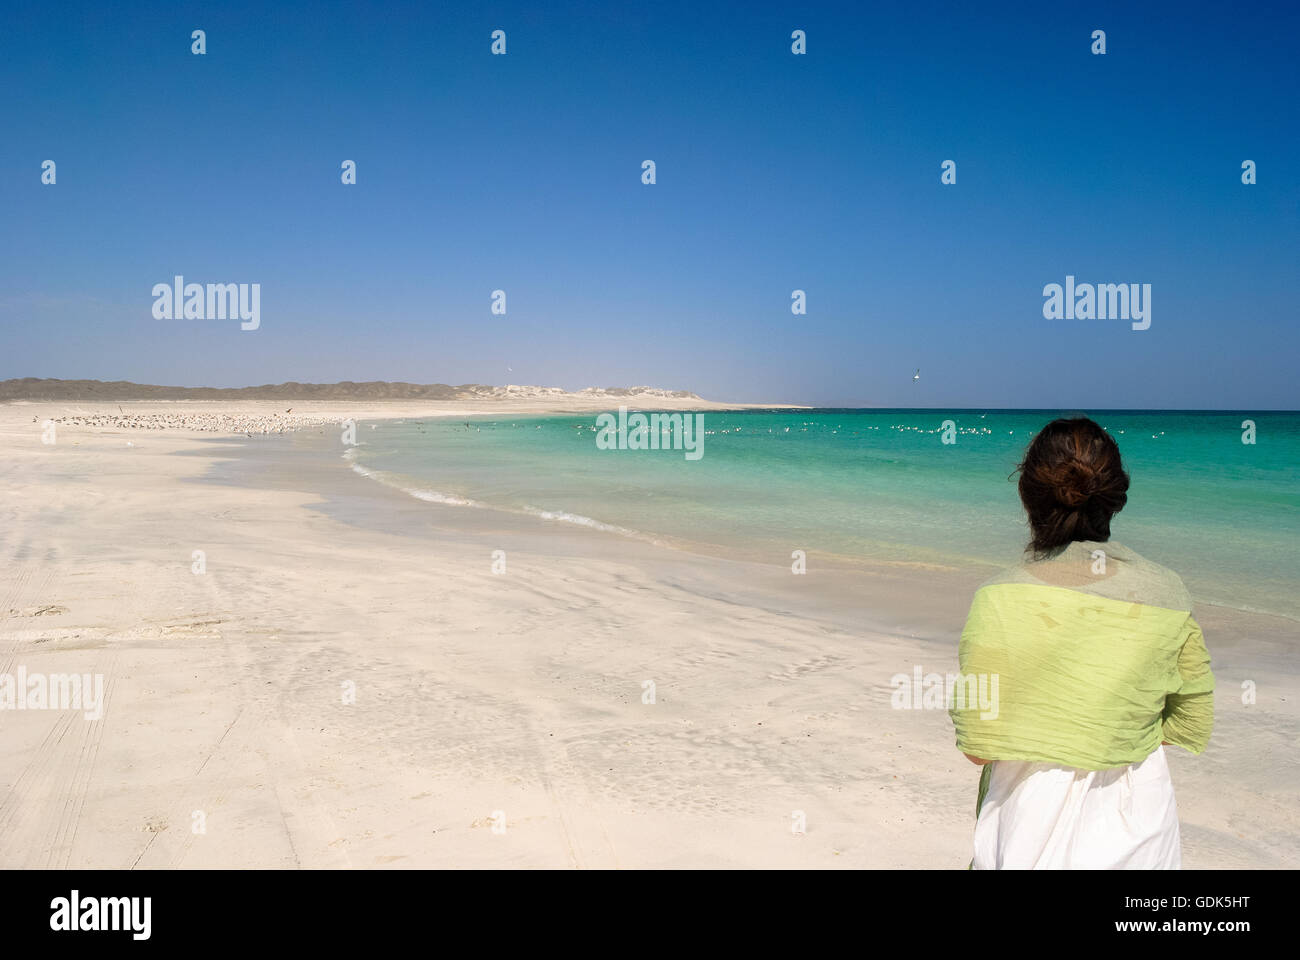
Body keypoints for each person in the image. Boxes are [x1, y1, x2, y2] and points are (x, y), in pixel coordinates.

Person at [950, 417, 1214, 869]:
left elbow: (979, 746)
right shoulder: (1169, 593)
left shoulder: (997, 599)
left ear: (1027, 496)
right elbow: (1190, 719)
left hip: (1028, 825)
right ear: (1115, 500)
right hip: (1140, 826)